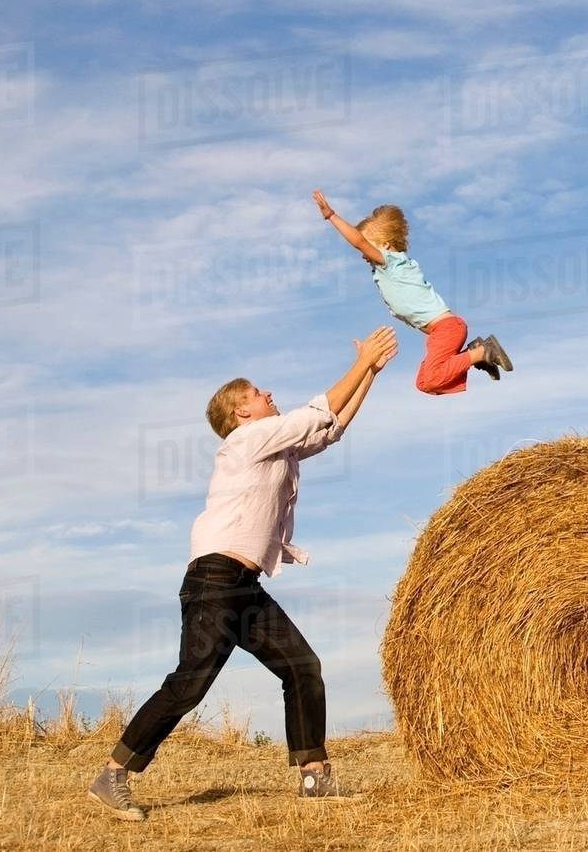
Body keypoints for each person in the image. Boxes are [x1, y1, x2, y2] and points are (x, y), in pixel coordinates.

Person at [87, 326, 399, 821]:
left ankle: (315, 777)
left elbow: (329, 428)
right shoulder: (248, 440)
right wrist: (361, 364)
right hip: (214, 578)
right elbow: (315, 412)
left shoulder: (274, 446)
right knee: (189, 683)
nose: (269, 394)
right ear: (241, 412)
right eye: (258, 392)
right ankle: (114, 774)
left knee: (301, 667)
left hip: (244, 585)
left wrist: (371, 375)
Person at [312, 190, 512, 396]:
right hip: (442, 331)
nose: (362, 254)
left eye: (366, 248)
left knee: (432, 378)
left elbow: (358, 241)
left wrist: (331, 216)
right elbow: (361, 243)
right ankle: (476, 353)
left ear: (386, 245)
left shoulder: (390, 262)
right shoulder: (391, 267)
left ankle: (482, 352)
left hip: (446, 329)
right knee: (425, 383)